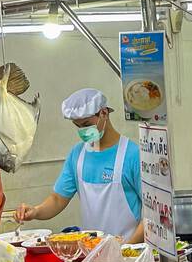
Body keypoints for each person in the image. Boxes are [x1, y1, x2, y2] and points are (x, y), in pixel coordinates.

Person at [14, 87, 144, 241]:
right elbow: (57, 199)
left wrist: (126, 249)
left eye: (87, 124)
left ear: (104, 113)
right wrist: (36, 211)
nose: (83, 130)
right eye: (78, 126)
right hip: (92, 252)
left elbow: (151, 215)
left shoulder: (132, 155)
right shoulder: (78, 154)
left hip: (129, 253)